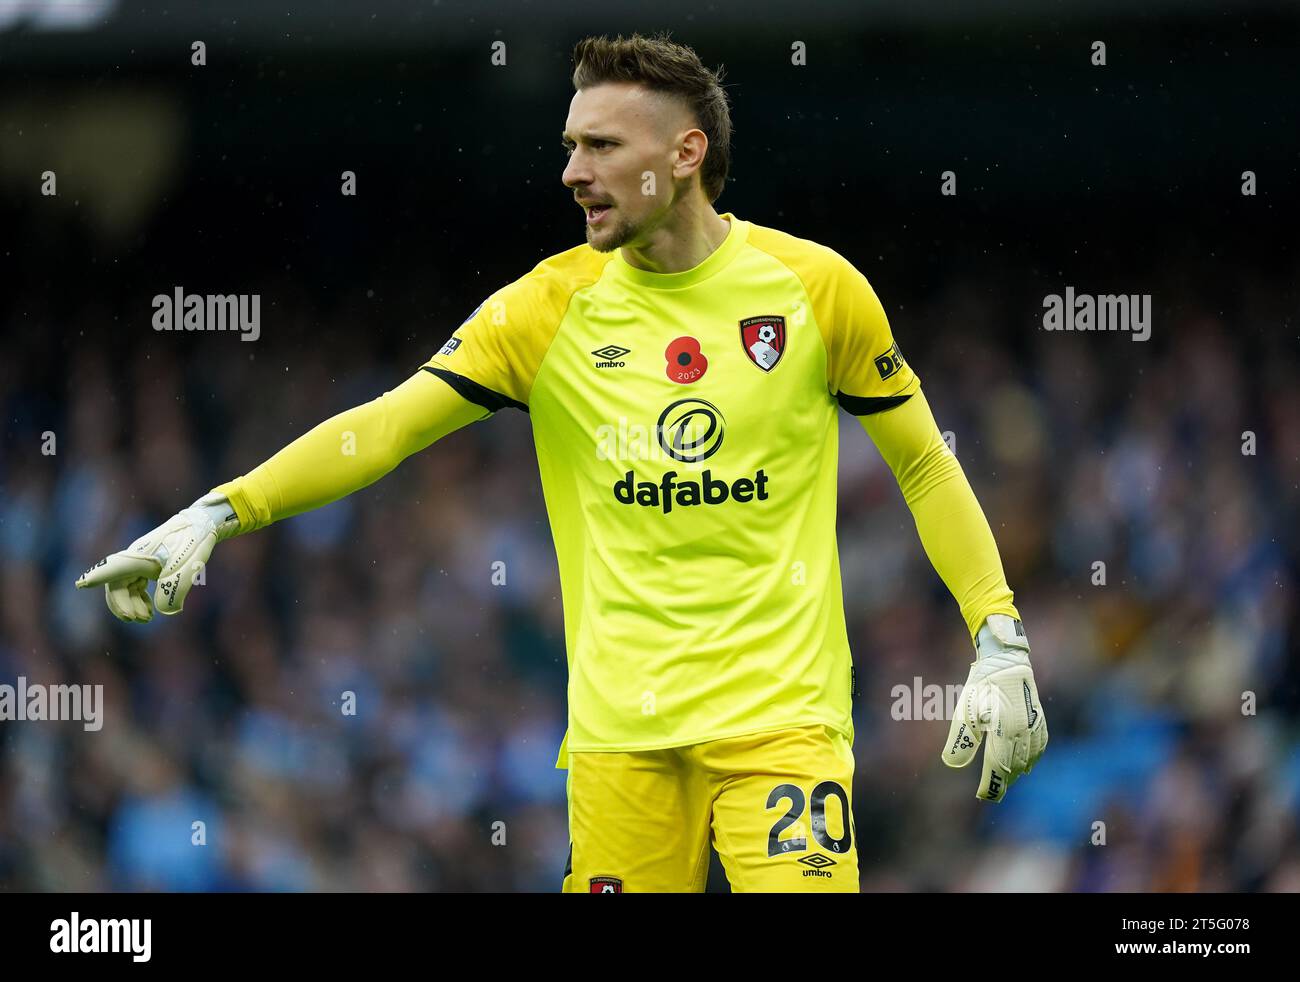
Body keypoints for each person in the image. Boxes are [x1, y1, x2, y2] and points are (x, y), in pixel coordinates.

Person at [77, 32, 1047, 893]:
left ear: (685, 154)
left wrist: (996, 633)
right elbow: (385, 427)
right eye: (571, 146)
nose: (573, 172)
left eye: (602, 146)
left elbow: (924, 464)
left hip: (782, 727)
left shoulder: (815, 289)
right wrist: (221, 510)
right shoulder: (544, 310)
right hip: (620, 742)